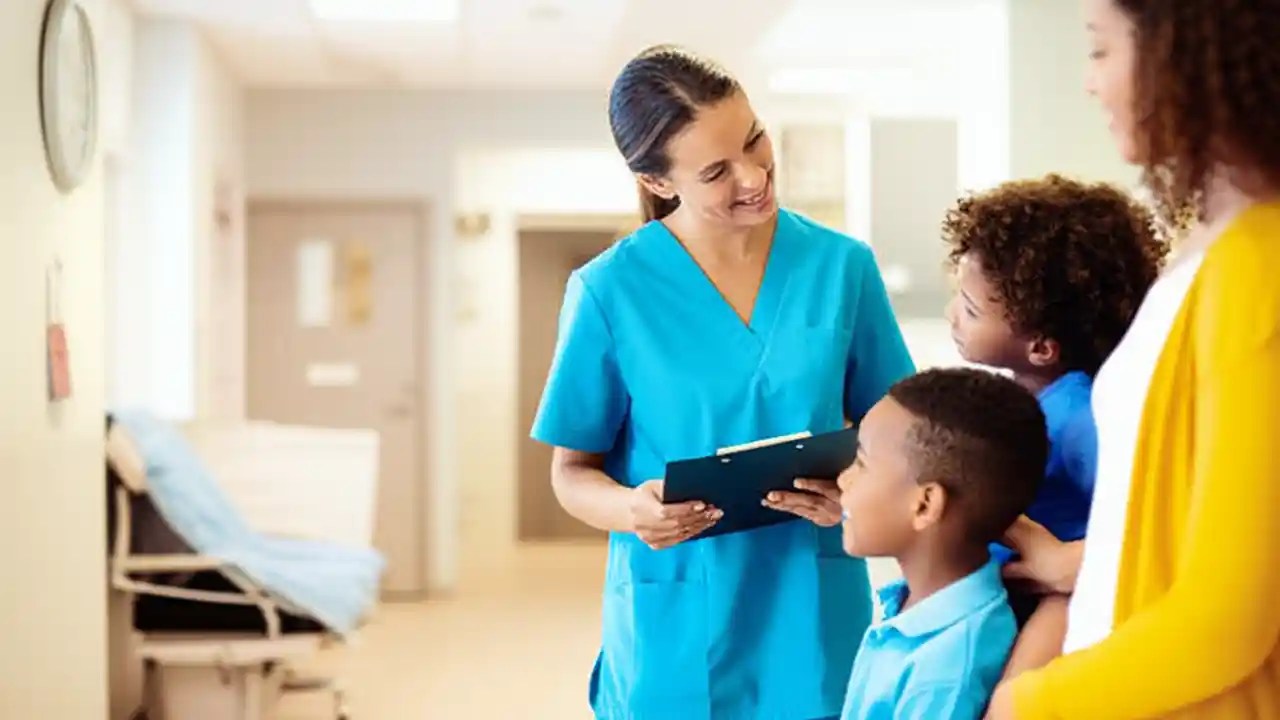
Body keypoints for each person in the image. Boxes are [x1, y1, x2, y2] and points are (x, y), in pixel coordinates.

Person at [530, 45, 915, 719]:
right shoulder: (608, 291)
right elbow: (572, 473)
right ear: (659, 182)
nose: (754, 176)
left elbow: (902, 437)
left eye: (755, 140)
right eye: (715, 170)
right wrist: (632, 512)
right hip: (675, 615)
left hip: (811, 606)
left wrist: (854, 491)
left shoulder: (841, 267)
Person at [986, 0, 1280, 717]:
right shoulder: (1215, 248)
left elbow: (1225, 621)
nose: (1090, 83)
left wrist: (1026, 706)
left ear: (1181, 53)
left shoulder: (1256, 269)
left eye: (1100, 49)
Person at [941, 173, 1168, 673]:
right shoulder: (1017, 397)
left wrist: (1062, 562)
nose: (952, 314)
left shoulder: (1082, 415)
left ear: (1041, 347)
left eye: (972, 310)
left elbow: (1156, 525)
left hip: (1057, 605)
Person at [836, 368, 1047, 720]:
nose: (843, 480)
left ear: (924, 505)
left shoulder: (943, 673)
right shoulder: (913, 608)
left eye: (862, 464)